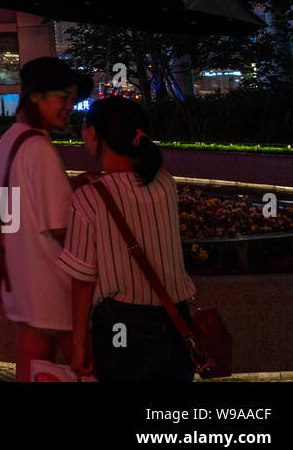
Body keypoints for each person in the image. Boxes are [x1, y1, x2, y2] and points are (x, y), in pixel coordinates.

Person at [58, 97, 197, 382]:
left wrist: (78, 345)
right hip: (177, 322)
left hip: (122, 329)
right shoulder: (165, 183)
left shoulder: (88, 198)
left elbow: (83, 280)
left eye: (85, 125)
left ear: (95, 135)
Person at [0, 57, 93, 381]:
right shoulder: (39, 148)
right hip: (56, 292)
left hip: (23, 286)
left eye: (72, 100)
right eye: (63, 98)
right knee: (90, 365)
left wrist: (67, 187)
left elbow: (14, 205)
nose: (70, 107)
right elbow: (64, 228)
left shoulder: (11, 138)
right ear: (36, 96)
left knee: (33, 368)